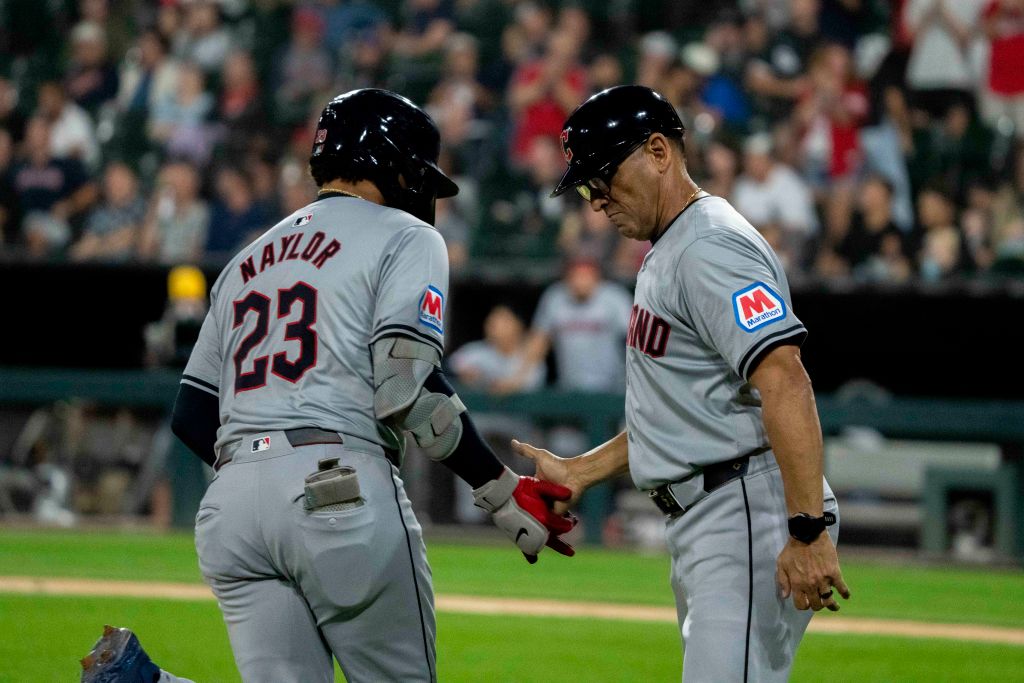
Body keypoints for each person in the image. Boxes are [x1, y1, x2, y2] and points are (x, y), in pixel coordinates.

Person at [168, 88, 575, 682]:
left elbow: (191, 414)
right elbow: (406, 386)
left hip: (231, 509)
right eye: (417, 174)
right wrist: (500, 488)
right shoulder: (407, 236)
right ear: (392, 164)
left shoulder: (244, 260)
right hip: (336, 489)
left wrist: (263, 470)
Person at [512, 85, 849, 682]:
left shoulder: (709, 244)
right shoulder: (671, 247)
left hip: (744, 508)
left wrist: (807, 531)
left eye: (603, 177)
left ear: (659, 151)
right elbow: (685, 412)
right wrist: (584, 470)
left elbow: (786, 380)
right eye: (586, 185)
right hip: (711, 513)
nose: (594, 200)